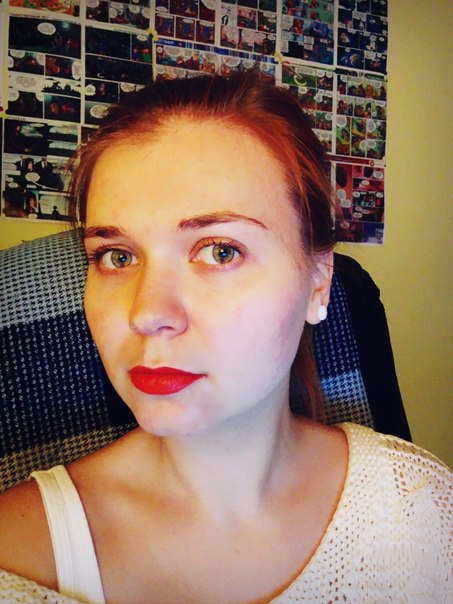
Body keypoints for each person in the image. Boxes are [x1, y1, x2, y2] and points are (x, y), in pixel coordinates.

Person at [0, 71, 451, 603]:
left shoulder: (421, 505)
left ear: (317, 281)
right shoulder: (16, 563)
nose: (147, 314)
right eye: (116, 257)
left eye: (220, 251)